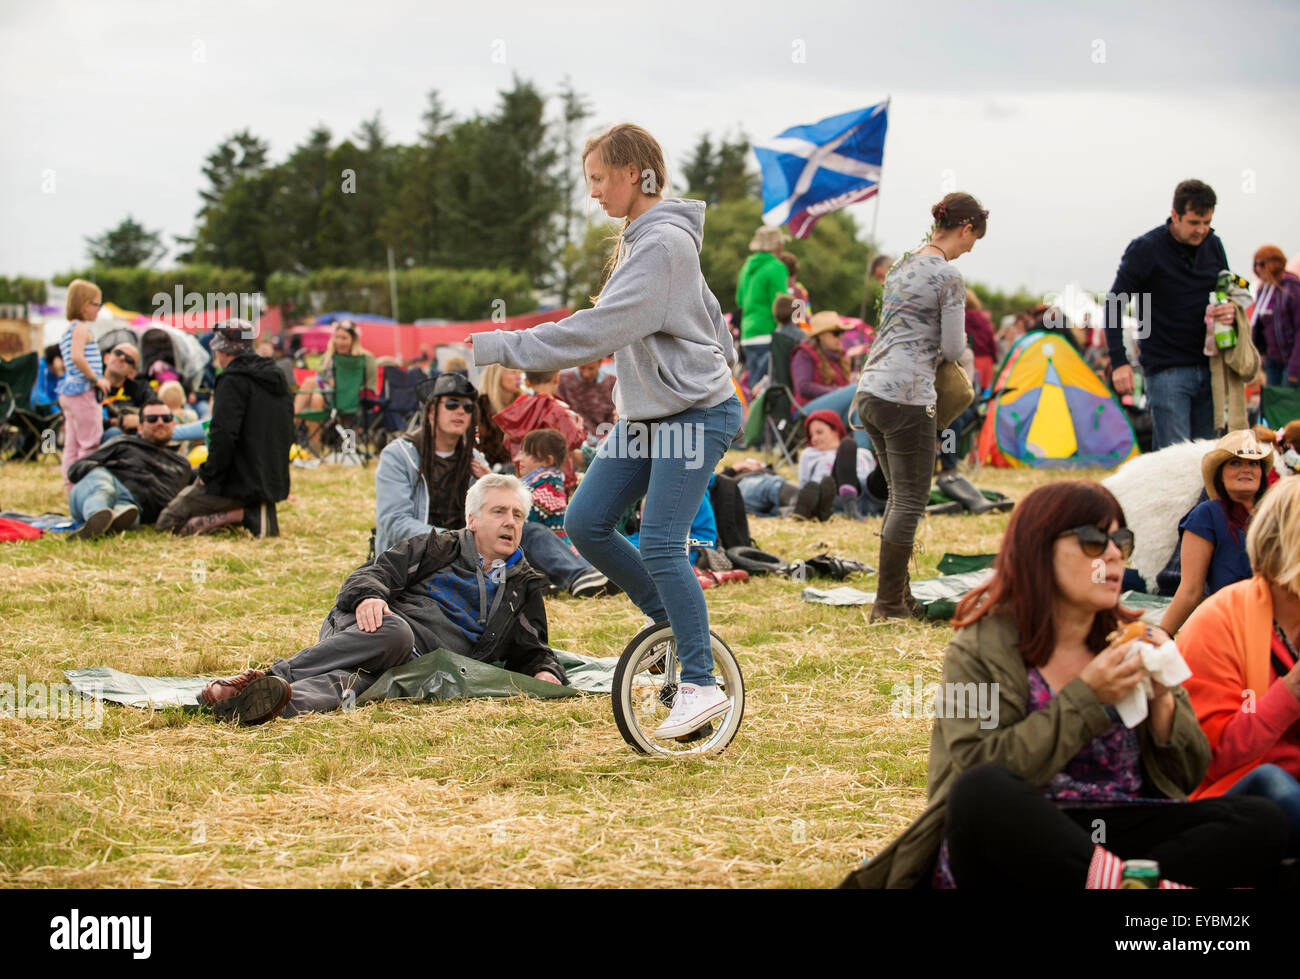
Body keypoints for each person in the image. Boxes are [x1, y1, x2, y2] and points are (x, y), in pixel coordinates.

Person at [841, 480, 1289, 889]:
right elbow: (971, 768)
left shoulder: (1131, 641)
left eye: (1121, 541)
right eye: (1094, 541)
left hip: (1119, 831)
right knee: (981, 794)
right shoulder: (976, 649)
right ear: (1039, 550)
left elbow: (1185, 779)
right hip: (1025, 835)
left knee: (1261, 820)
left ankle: (1117, 885)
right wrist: (1087, 699)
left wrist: (1164, 710)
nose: (1113, 555)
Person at [471, 122, 743, 741]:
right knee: (585, 523)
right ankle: (676, 631)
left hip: (693, 416)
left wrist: (501, 344)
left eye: (597, 178)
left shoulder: (664, 244)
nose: (592, 192)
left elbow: (594, 331)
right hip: (650, 416)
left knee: (659, 542)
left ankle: (700, 683)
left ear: (632, 174)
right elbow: (714, 323)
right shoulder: (645, 240)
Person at [198, 475, 569, 725]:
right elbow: (369, 574)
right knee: (397, 635)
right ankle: (273, 674)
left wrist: (546, 673)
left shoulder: (524, 586)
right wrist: (371, 597)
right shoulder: (434, 547)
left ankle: (257, 704)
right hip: (371, 631)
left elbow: (533, 647)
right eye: (499, 512)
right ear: (472, 519)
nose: (511, 522)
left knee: (352, 687)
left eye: (518, 515)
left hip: (416, 671)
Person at [855, 192, 986, 621]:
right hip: (908, 396)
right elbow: (952, 346)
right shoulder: (947, 276)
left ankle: (898, 595)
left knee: (899, 496)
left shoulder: (901, 265)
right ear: (965, 229)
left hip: (871, 390)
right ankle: (889, 603)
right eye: (973, 241)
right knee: (911, 500)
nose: (970, 249)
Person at [373, 371, 611, 598]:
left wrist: (491, 484)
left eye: (467, 407)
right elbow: (395, 522)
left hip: (468, 548)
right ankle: (531, 579)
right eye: (452, 404)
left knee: (529, 531)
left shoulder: (473, 458)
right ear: (432, 411)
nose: (460, 412)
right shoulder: (400, 455)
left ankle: (583, 575)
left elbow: (499, 513)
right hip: (419, 553)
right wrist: (450, 539)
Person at [1180, 478, 1300, 854]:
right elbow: (1209, 759)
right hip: (1237, 796)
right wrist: (1291, 693)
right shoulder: (1221, 620)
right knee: (1274, 788)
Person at [1104, 179, 1233, 449]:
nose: (1202, 230)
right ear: (1175, 215)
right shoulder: (1146, 249)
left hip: (1211, 367)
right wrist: (1120, 361)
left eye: (1207, 222)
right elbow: (1115, 303)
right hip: (1166, 370)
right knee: (1173, 462)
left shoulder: (1214, 245)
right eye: (1194, 222)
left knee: (1208, 458)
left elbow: (1225, 290)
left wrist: (1229, 310)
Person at [156, 322, 292, 538]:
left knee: (168, 523)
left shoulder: (232, 380)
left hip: (238, 480)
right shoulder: (277, 377)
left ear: (223, 350)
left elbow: (223, 434)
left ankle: (244, 514)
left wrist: (208, 475)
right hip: (273, 478)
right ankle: (254, 509)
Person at [1160, 430, 1274, 635]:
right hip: (1231, 627)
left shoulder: (1275, 515)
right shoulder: (1207, 515)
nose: (1246, 469)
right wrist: (1160, 635)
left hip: (1279, 626)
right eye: (1235, 463)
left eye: (1253, 463)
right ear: (1220, 473)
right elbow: (1190, 591)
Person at [64, 396, 193, 539]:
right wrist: (102, 470)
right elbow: (75, 469)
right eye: (152, 419)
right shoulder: (124, 443)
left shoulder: (182, 464)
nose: (160, 422)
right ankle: (97, 515)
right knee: (103, 486)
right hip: (100, 488)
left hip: (133, 508)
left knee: (128, 511)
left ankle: (108, 521)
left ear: (173, 423)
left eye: (166, 418)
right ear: (140, 427)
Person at [493, 369, 587, 492]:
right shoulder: (557, 409)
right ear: (556, 378)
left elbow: (507, 440)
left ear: (527, 382)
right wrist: (579, 427)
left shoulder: (519, 408)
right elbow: (571, 441)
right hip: (556, 481)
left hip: (525, 480)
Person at [55, 279, 109, 490]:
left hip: (69, 392)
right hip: (83, 392)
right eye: (97, 304)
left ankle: (70, 485)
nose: (98, 310)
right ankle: (85, 486)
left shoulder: (69, 328)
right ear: (85, 305)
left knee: (72, 442)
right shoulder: (81, 328)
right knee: (90, 442)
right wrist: (97, 379)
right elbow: (77, 356)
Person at [294, 320, 379, 446]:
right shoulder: (328, 356)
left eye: (344, 338)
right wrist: (328, 383)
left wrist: (345, 385)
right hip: (327, 394)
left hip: (350, 399)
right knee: (316, 397)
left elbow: (371, 386)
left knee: (309, 383)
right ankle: (315, 447)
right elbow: (320, 378)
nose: (339, 342)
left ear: (353, 339)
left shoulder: (365, 358)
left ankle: (290, 421)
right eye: (337, 337)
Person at [797, 410, 878, 519]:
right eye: (811, 435)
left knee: (851, 446)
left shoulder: (863, 452)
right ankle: (851, 508)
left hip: (870, 494)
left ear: (835, 431)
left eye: (819, 432)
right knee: (847, 444)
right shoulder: (810, 453)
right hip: (836, 494)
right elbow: (805, 488)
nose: (814, 439)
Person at [735, 224, 789, 387]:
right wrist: (800, 325)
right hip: (768, 334)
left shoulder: (747, 267)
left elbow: (739, 300)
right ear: (778, 245)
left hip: (748, 335)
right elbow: (782, 305)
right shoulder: (777, 266)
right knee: (768, 390)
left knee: (754, 389)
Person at [1250, 245, 1300, 388]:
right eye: (1256, 264)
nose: (1258, 269)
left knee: (1286, 404)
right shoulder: (1262, 291)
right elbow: (1258, 326)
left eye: (1261, 264)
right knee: (1274, 403)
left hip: (1291, 360)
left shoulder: (1291, 289)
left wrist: (1295, 366)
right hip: (1272, 359)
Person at [518, 428, 572, 547]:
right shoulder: (538, 482)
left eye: (528, 454)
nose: (520, 458)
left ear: (548, 460)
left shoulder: (549, 487)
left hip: (551, 553)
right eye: (522, 452)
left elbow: (526, 519)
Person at [790, 310, 853, 407]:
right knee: (854, 391)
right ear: (820, 335)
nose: (841, 337)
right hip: (807, 409)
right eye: (836, 333)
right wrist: (837, 392)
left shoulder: (840, 356)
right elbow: (803, 387)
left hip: (835, 408)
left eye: (842, 332)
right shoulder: (804, 355)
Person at [475, 363, 522, 470]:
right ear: (496, 376)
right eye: (513, 372)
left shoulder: (524, 405)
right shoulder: (480, 407)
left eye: (520, 372)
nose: (519, 377)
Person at [557, 360, 617, 437]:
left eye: (591, 368)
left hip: (609, 434)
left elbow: (614, 412)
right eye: (582, 368)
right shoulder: (563, 381)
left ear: (599, 364)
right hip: (579, 434)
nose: (586, 374)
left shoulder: (612, 382)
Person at [963, 289, 996, 391]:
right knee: (980, 393)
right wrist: (993, 359)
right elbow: (992, 341)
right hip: (985, 361)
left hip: (969, 359)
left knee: (966, 391)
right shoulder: (983, 319)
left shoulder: (961, 317)